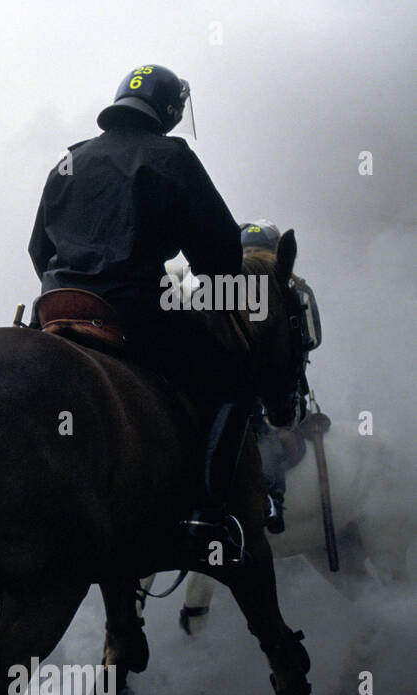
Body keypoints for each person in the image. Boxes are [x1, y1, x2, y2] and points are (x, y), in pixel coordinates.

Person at [28, 64, 253, 566]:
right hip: (131, 312)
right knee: (235, 381)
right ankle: (206, 518)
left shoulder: (71, 158)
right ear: (170, 110)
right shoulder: (171, 157)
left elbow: (38, 249)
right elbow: (220, 257)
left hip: (55, 308)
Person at [240, 220, 322, 533]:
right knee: (260, 430)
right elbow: (313, 338)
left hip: (246, 383)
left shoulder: (226, 280)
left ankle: (271, 498)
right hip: (265, 381)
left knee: (257, 428)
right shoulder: (295, 286)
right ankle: (271, 499)